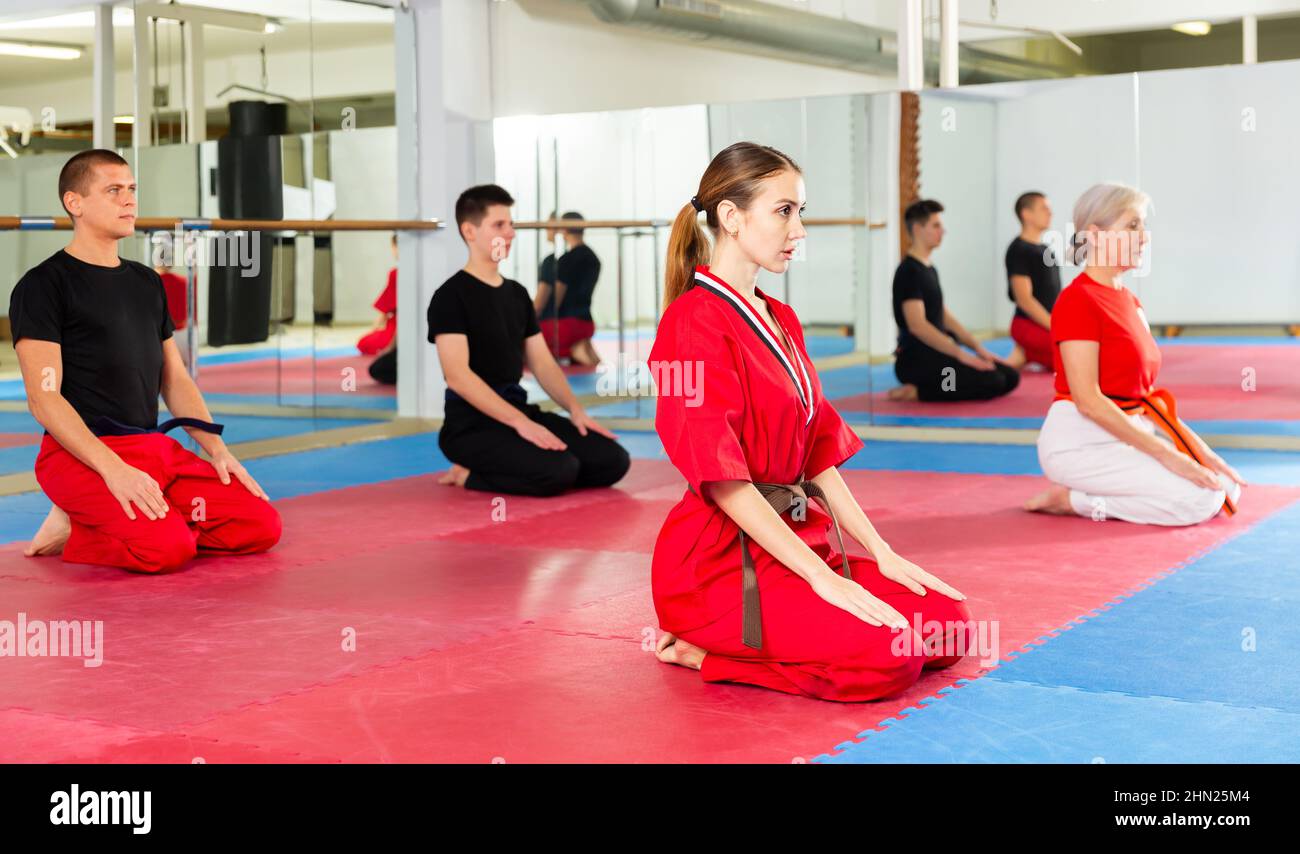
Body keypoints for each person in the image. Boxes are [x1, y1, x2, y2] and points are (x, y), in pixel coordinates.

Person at [649, 142, 973, 701]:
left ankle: (824, 605)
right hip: (721, 567)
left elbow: (818, 453)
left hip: (802, 538)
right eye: (784, 211)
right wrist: (821, 579)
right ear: (731, 216)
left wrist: (883, 553)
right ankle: (703, 653)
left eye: (800, 212)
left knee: (948, 624)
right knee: (884, 661)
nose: (798, 230)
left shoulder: (781, 318)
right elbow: (724, 479)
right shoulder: (690, 324)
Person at [10, 149, 281, 572]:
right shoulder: (43, 285)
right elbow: (44, 400)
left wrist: (217, 450)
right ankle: (77, 528)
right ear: (74, 203)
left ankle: (142, 516)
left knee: (259, 525)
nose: (129, 200)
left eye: (132, 189)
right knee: (167, 550)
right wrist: (113, 470)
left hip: (152, 449)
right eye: (114, 190)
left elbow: (174, 379)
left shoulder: (146, 282)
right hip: (80, 455)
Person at [1025, 182, 1246, 525]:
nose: (1145, 237)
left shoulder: (1130, 301)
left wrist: (1201, 452)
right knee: (1200, 499)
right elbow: (1087, 400)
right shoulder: (1077, 301)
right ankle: (1075, 501)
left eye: (1142, 226)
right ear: (1095, 235)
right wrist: (1170, 458)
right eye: (1132, 225)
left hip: (1128, 430)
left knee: (1226, 486)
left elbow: (1145, 398)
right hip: (1080, 442)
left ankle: (1097, 495)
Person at [428, 184, 630, 496]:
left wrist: (576, 410)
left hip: (519, 411)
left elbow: (543, 362)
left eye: (510, 224)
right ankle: (467, 475)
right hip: (470, 428)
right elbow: (457, 376)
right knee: (559, 470)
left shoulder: (517, 295)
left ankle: (523, 461)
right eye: (499, 225)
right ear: (469, 231)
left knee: (613, 461)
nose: (510, 233)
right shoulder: (450, 296)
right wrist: (519, 424)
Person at [888, 199, 1020, 402]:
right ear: (917, 229)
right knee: (993, 381)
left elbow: (943, 314)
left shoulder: (929, 268)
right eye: (936, 225)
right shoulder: (908, 271)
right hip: (916, 360)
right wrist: (961, 354)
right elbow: (917, 326)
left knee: (1010, 376)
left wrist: (979, 349)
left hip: (939, 353)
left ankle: (928, 386)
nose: (943, 231)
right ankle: (919, 392)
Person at [534, 211, 602, 366]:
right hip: (587, 323)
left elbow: (555, 302)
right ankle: (582, 350)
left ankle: (573, 349)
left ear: (563, 230)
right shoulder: (593, 258)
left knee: (525, 339)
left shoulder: (565, 260)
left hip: (566, 326)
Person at [1004, 192, 1060, 370]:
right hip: (1028, 325)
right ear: (1026, 214)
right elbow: (1024, 300)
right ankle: (1025, 352)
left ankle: (1023, 354)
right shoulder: (1019, 250)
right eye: (1044, 208)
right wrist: (1057, 328)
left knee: (1083, 351)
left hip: (1047, 324)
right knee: (1076, 357)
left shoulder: (1045, 249)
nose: (1050, 213)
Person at [361, 234, 398, 385]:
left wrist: (373, 329)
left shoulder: (395, 274)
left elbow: (385, 309)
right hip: (397, 326)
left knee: (364, 343)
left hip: (396, 328)